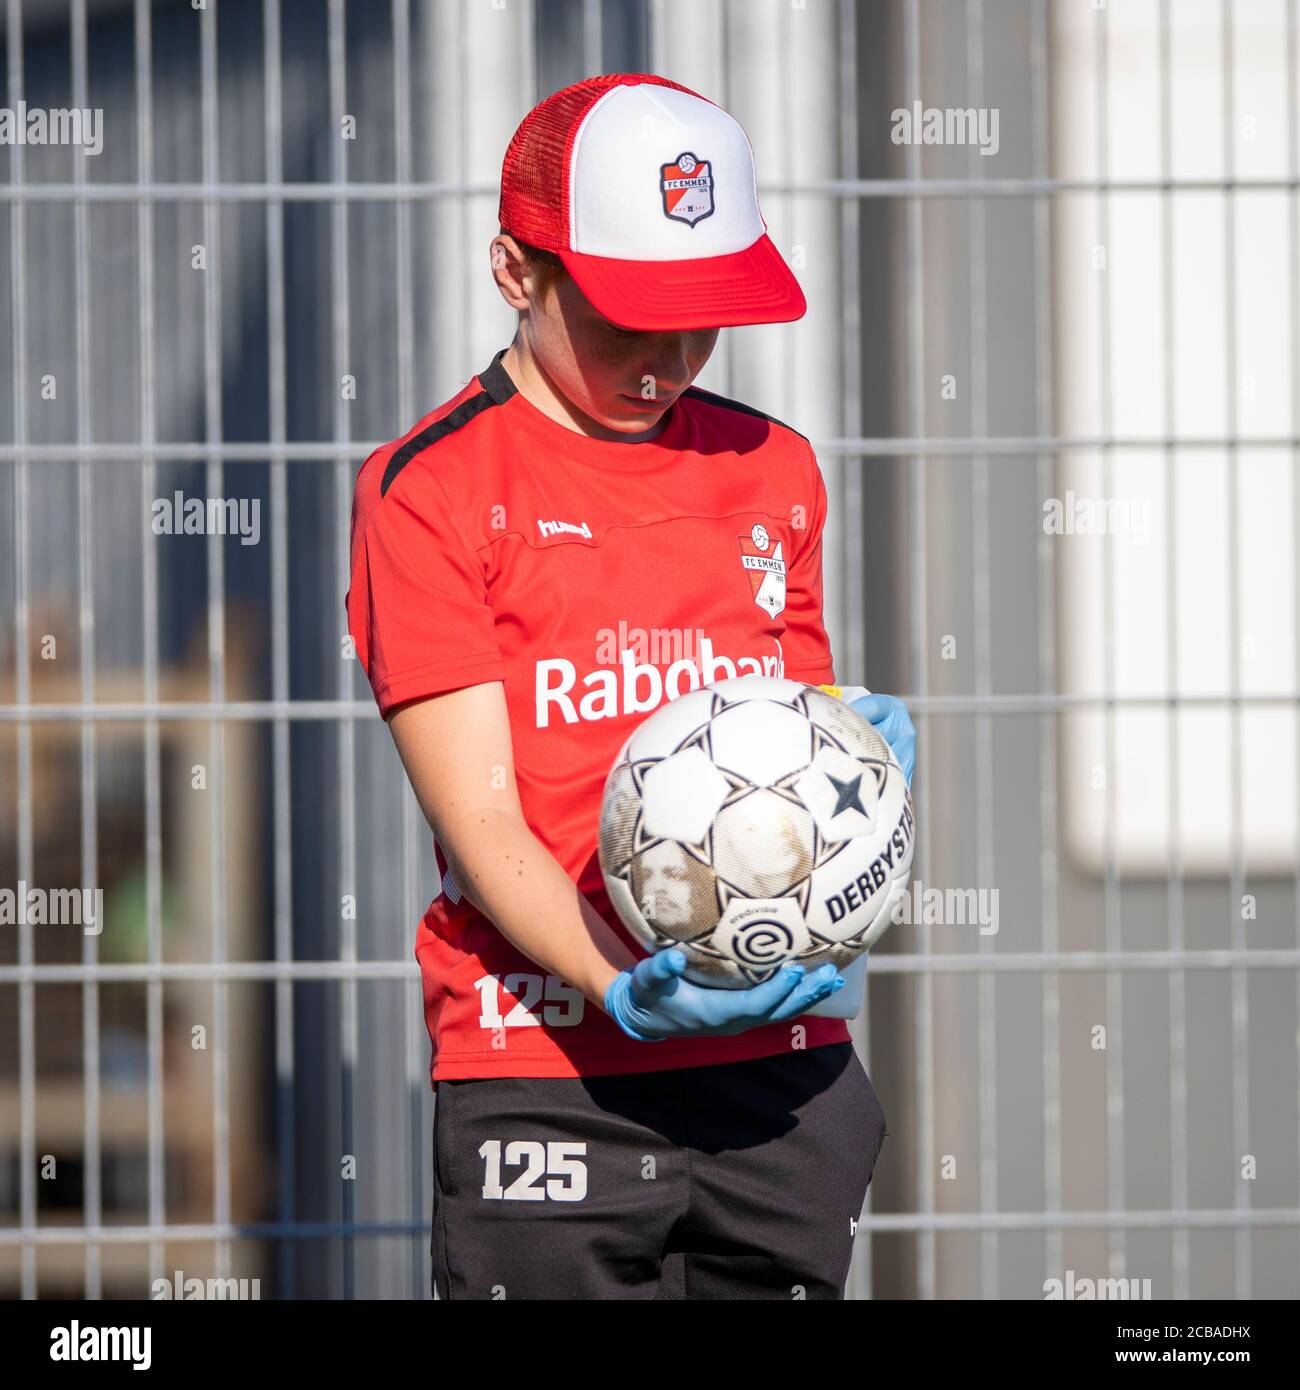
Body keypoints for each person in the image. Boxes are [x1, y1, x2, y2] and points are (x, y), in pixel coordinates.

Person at [346, 72, 916, 1301]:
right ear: (515, 271)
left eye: (701, 318)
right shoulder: (429, 489)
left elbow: (789, 755)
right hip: (543, 1064)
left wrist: (860, 778)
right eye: (625, 317)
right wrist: (619, 988)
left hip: (783, 1073)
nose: (667, 358)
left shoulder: (775, 470)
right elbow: (480, 816)